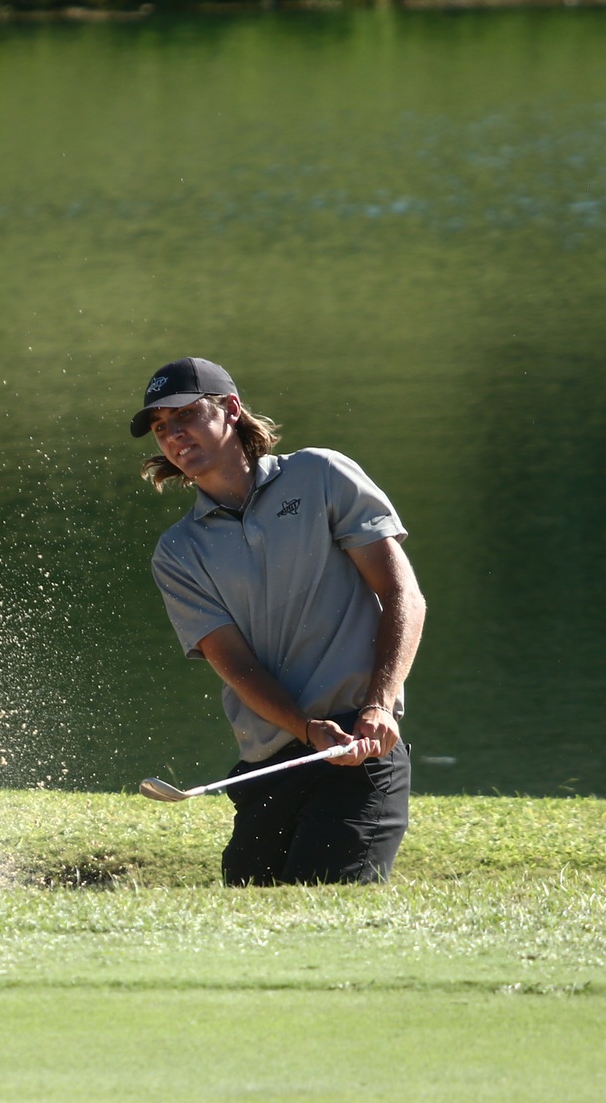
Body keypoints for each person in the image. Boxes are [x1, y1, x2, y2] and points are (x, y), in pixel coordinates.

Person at [133, 357, 427, 886]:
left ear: (230, 409)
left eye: (186, 417)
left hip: (358, 747)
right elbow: (235, 665)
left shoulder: (320, 475)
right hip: (273, 761)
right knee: (250, 900)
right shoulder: (179, 551)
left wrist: (380, 705)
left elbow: (402, 594)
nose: (173, 436)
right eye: (161, 429)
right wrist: (304, 729)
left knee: (326, 898)